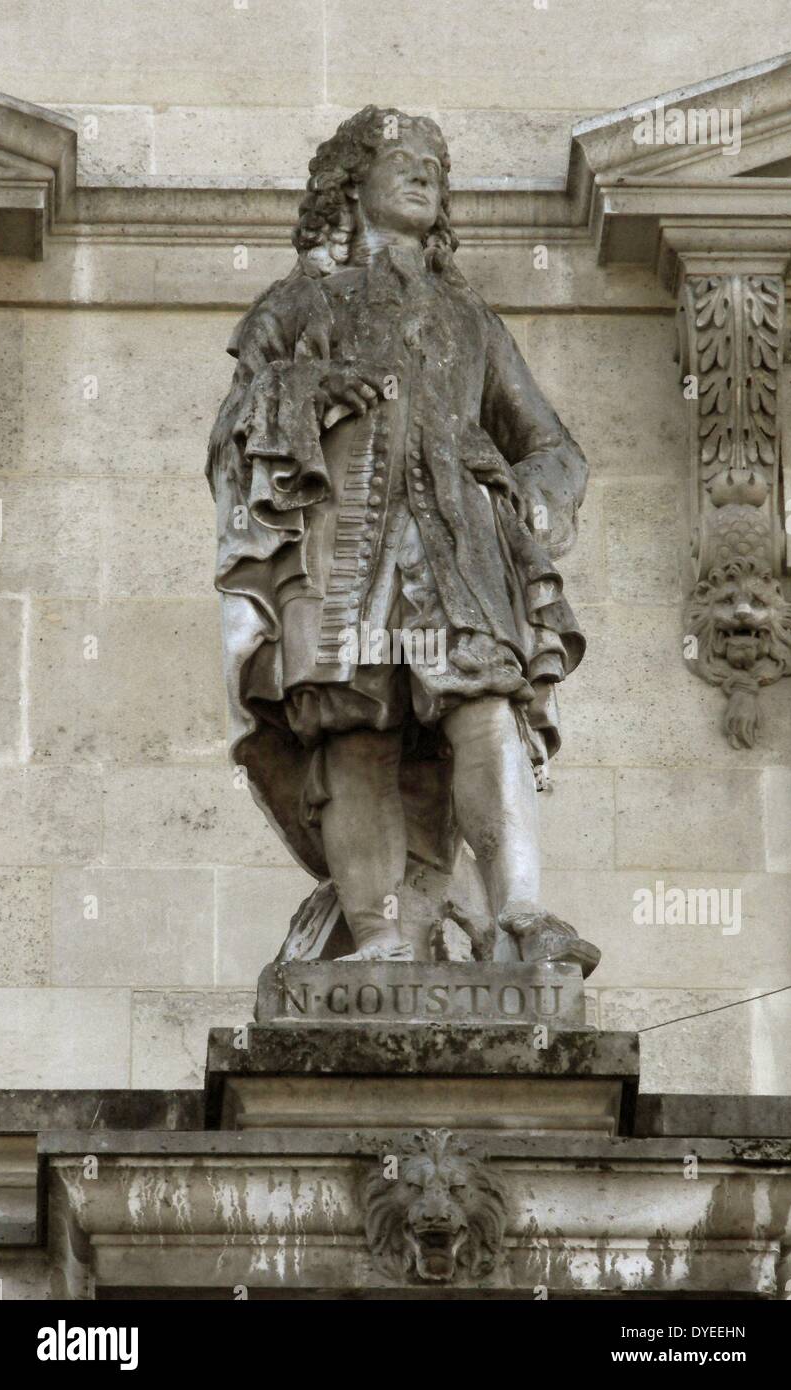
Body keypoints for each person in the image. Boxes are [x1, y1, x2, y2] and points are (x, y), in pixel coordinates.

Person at [207, 106, 595, 970]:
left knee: (484, 705)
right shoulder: (299, 302)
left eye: (436, 163)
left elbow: (552, 446)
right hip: (340, 548)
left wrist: (527, 496)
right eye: (402, 159)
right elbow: (237, 419)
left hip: (455, 542)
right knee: (356, 730)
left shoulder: (469, 319)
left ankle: (520, 915)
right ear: (352, 185)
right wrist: (305, 393)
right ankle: (382, 937)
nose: (424, 172)